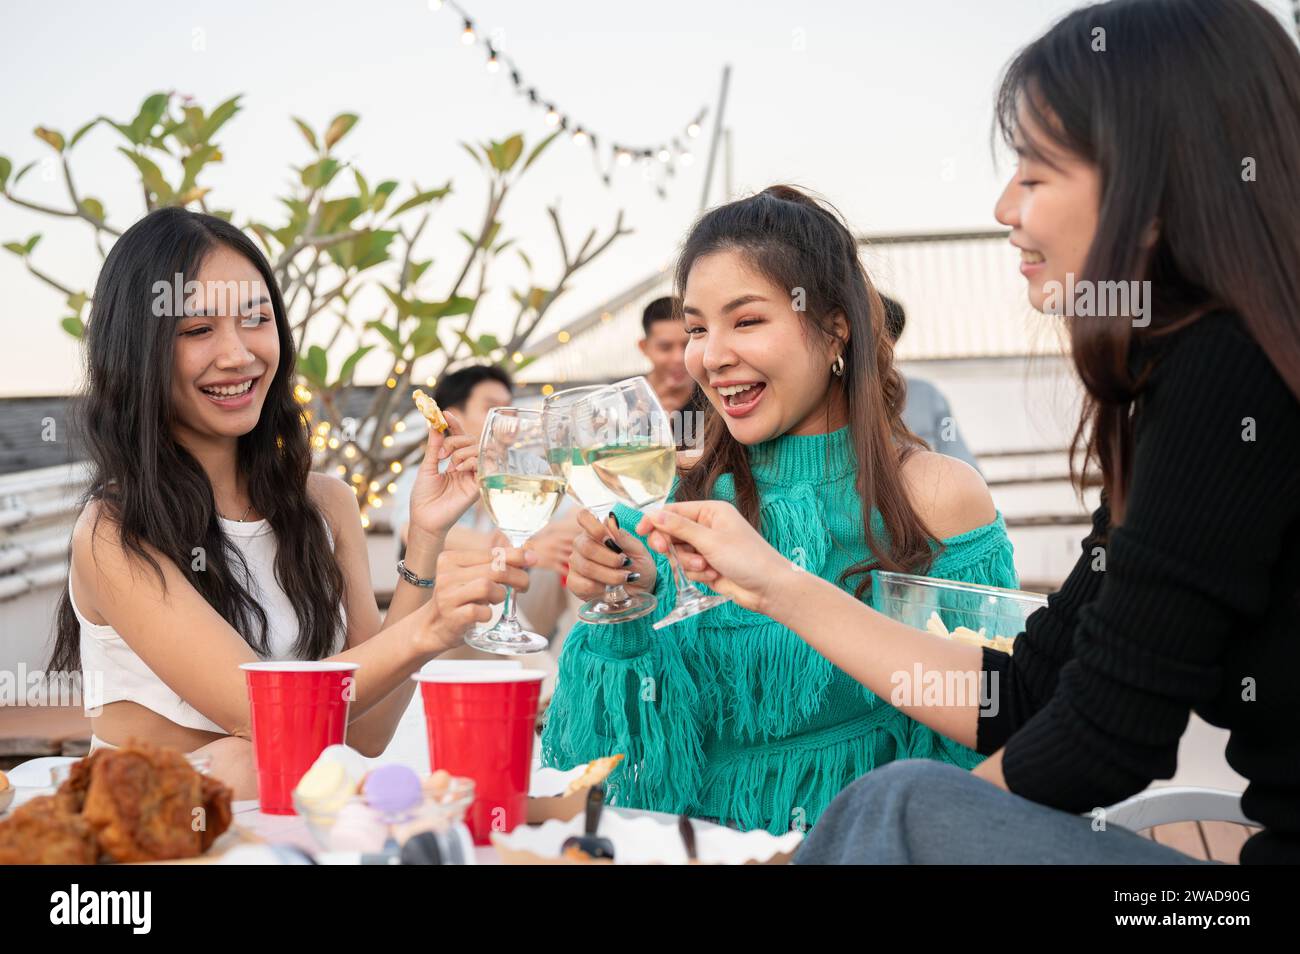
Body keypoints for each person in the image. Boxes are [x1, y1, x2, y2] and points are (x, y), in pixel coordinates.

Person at [635, 0, 1300, 865]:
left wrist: (862, 837)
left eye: (1034, 171)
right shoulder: (1208, 372)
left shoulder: (1226, 370)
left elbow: (1103, 740)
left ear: (1154, 174)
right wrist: (773, 584)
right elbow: (1030, 694)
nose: (1001, 205)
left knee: (901, 801)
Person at [542, 185, 1019, 834]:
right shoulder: (660, 508)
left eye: (746, 321)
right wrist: (622, 611)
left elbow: (988, 734)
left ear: (835, 329)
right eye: (696, 329)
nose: (711, 357)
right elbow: (606, 773)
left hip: (869, 846)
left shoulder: (936, 497)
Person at [48, 208, 533, 798]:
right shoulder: (113, 531)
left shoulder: (325, 503)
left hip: (301, 824)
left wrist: (426, 538)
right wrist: (430, 626)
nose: (238, 354)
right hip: (162, 835)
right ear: (137, 351)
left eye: (256, 320)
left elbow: (367, 730)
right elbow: (259, 710)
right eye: (198, 330)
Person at [393, 364, 578, 647]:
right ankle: (544, 679)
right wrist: (518, 549)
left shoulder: (526, 471)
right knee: (470, 572)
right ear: (452, 415)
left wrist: (531, 542)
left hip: (521, 597)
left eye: (510, 409)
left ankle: (593, 673)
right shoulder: (426, 475)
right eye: (492, 409)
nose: (509, 422)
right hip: (453, 607)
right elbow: (413, 531)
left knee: (575, 551)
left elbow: (578, 515)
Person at [881, 296, 982, 473]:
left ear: (892, 342)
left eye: (885, 335)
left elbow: (958, 459)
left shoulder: (928, 397)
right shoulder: (834, 401)